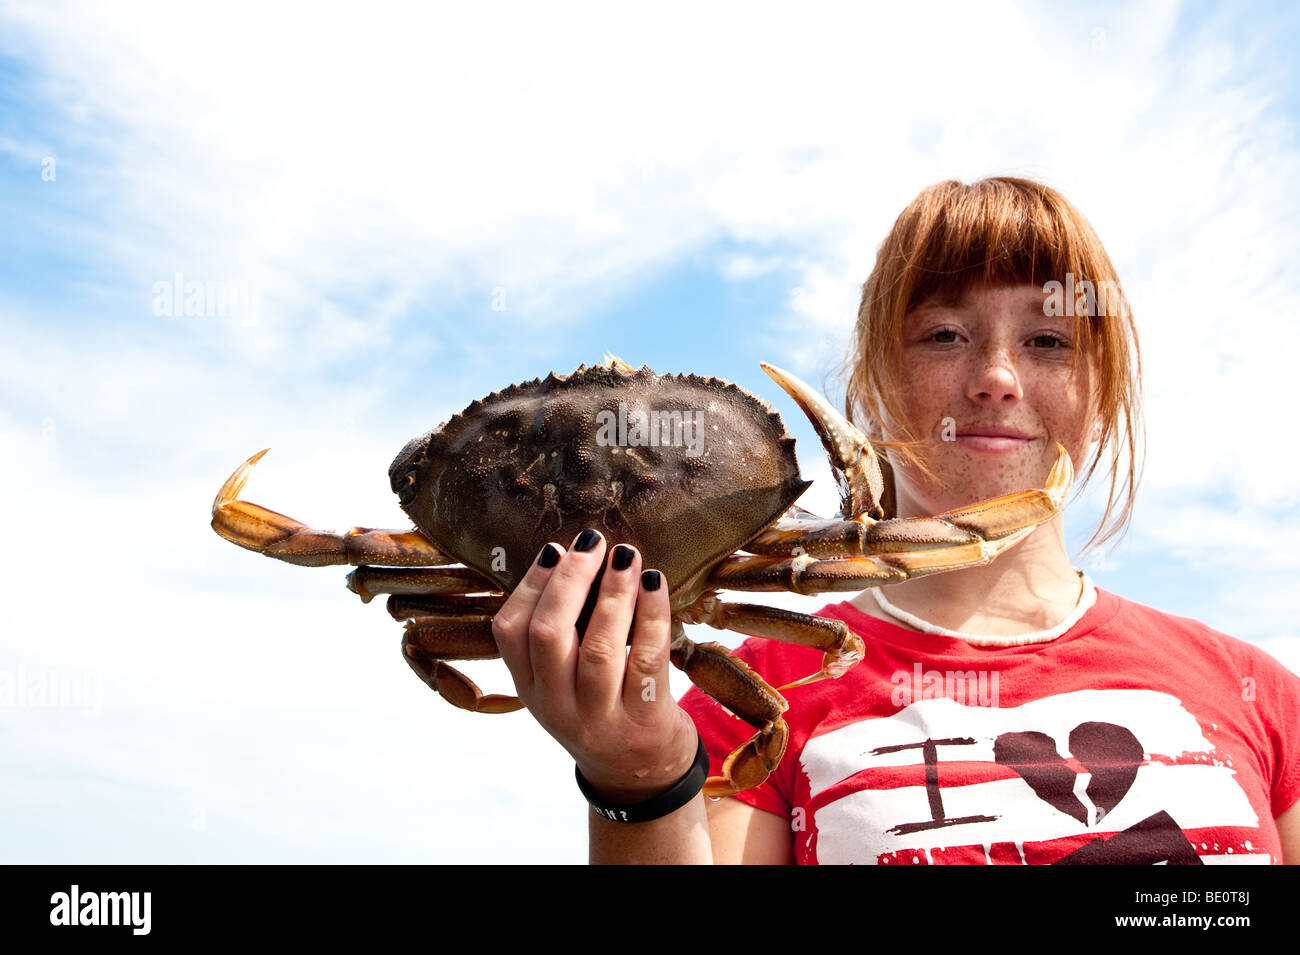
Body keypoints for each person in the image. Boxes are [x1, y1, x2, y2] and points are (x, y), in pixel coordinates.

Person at [489, 177, 1300, 864]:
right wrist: (639, 778)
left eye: (1048, 338)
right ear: (870, 384)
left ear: (1103, 391)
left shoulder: (1257, 692)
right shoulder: (755, 695)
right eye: (944, 334)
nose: (996, 377)